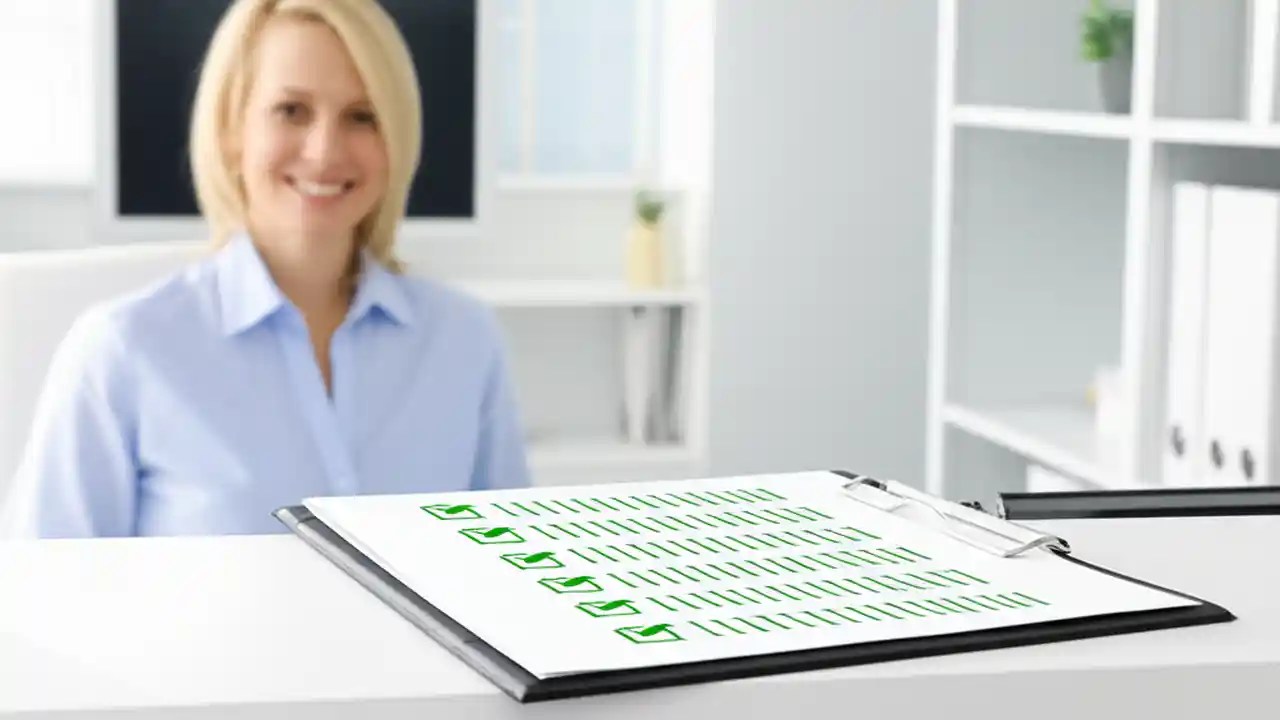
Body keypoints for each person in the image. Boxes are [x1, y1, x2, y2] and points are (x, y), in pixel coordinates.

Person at [0, 0, 530, 538]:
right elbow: (45, 595)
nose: (324, 151)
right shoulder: (124, 349)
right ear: (233, 129)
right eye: (291, 111)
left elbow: (513, 578)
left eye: (362, 117)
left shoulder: (465, 341)